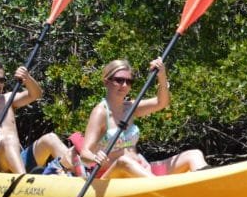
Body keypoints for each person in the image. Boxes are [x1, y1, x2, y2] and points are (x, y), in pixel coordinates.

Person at [76, 58, 209, 178]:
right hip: (112, 175)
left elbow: (161, 102)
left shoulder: (131, 107)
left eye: (129, 81)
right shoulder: (100, 112)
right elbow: (84, 154)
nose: (124, 85)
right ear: (107, 82)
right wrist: (95, 157)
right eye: (119, 80)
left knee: (194, 154)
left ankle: (208, 187)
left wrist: (161, 76)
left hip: (140, 169)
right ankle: (162, 189)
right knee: (124, 161)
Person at [0, 59, 76, 175]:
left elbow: (36, 95)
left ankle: (79, 176)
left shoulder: (8, 99)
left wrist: (27, 78)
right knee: (8, 139)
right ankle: (23, 183)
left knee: (51, 138)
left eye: (1, 80)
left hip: (17, 159)